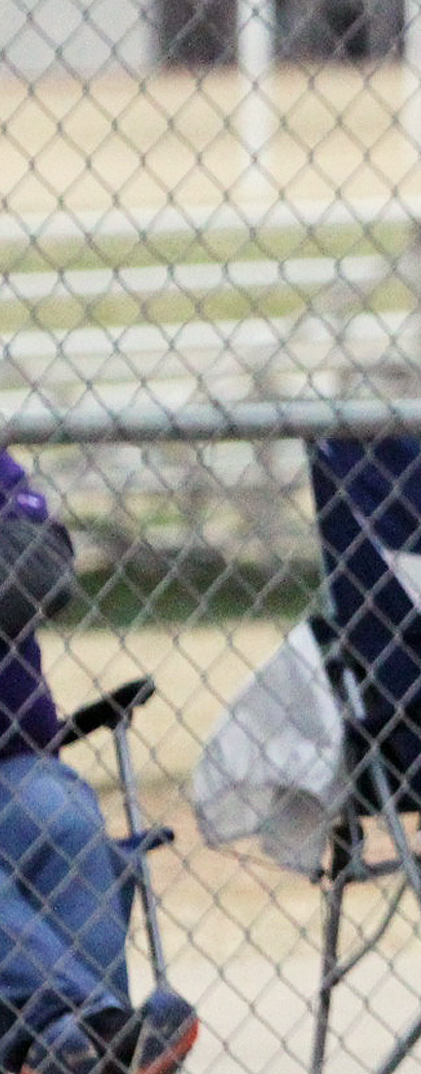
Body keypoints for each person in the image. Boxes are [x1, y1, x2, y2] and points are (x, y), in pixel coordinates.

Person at [0, 447, 199, 1074]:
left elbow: (38, 566)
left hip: (11, 763)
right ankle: (91, 1030)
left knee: (64, 817)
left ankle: (75, 1045)